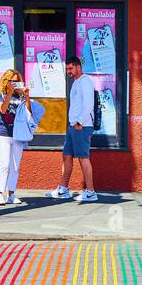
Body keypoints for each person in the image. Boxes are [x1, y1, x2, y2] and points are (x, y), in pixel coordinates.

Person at [45, 56, 98, 203]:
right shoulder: (76, 82)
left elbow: (89, 104)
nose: (68, 71)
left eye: (70, 68)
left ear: (78, 67)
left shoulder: (85, 81)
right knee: (66, 156)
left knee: (83, 158)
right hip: (73, 125)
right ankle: (63, 189)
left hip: (82, 126)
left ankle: (91, 192)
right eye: (67, 68)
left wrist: (80, 122)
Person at [0, 69, 29, 207]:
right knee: (4, 165)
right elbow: (2, 110)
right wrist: (9, 93)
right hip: (3, 134)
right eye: (12, 81)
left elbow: (28, 113)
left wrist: (27, 97)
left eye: (16, 81)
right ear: (6, 82)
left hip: (18, 135)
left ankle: (11, 193)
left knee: (15, 166)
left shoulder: (20, 97)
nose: (14, 84)